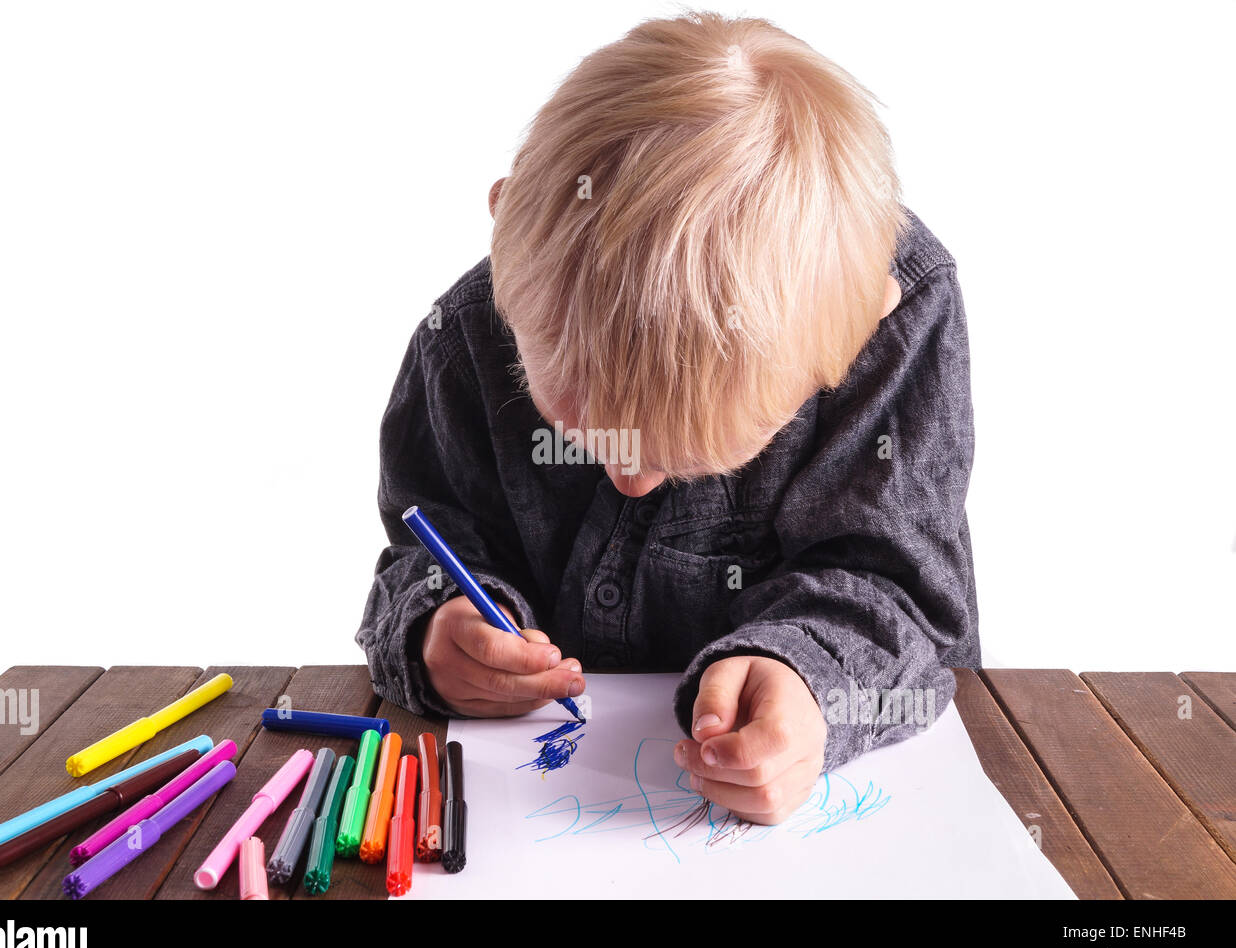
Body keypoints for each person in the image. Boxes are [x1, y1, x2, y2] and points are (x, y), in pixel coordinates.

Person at [357, 12, 979, 825]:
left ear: (852, 341)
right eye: (582, 421)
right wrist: (435, 632)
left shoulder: (893, 320)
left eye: (687, 456)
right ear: (508, 231)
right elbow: (424, 546)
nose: (628, 475)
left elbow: (907, 593)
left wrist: (811, 680)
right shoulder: (468, 334)